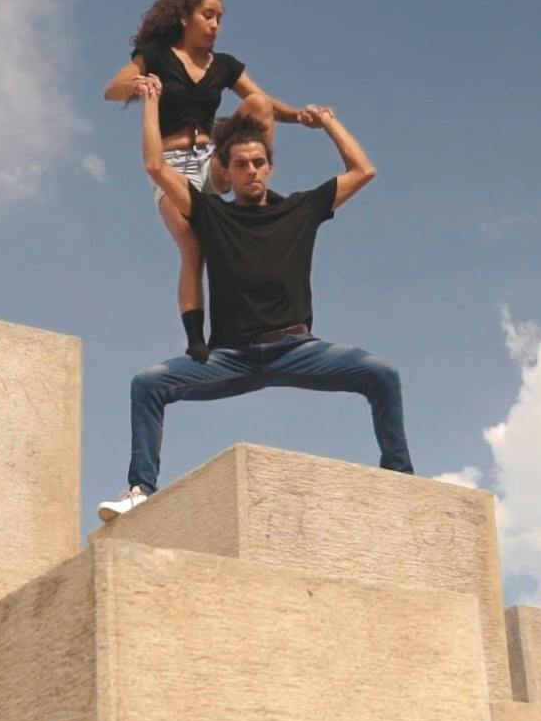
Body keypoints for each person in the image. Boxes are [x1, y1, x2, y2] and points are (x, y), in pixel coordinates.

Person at [97, 88, 411, 522]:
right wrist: (151, 102)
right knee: (147, 384)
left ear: (271, 167)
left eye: (259, 163)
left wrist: (327, 123)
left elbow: (363, 170)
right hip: (232, 357)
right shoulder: (211, 212)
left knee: (382, 374)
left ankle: (401, 479)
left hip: (298, 349)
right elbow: (155, 165)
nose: (251, 171)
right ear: (225, 170)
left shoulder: (301, 208)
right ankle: (140, 490)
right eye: (240, 165)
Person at [103, 0, 304, 365]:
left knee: (257, 104)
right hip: (173, 167)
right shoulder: (158, 55)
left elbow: (265, 103)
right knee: (194, 246)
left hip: (213, 161)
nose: (215, 25)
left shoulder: (224, 65)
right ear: (184, 17)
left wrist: (299, 116)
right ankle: (197, 339)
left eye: (220, 19)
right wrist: (140, 83)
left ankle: (254, 192)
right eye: (207, 16)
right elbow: (112, 90)